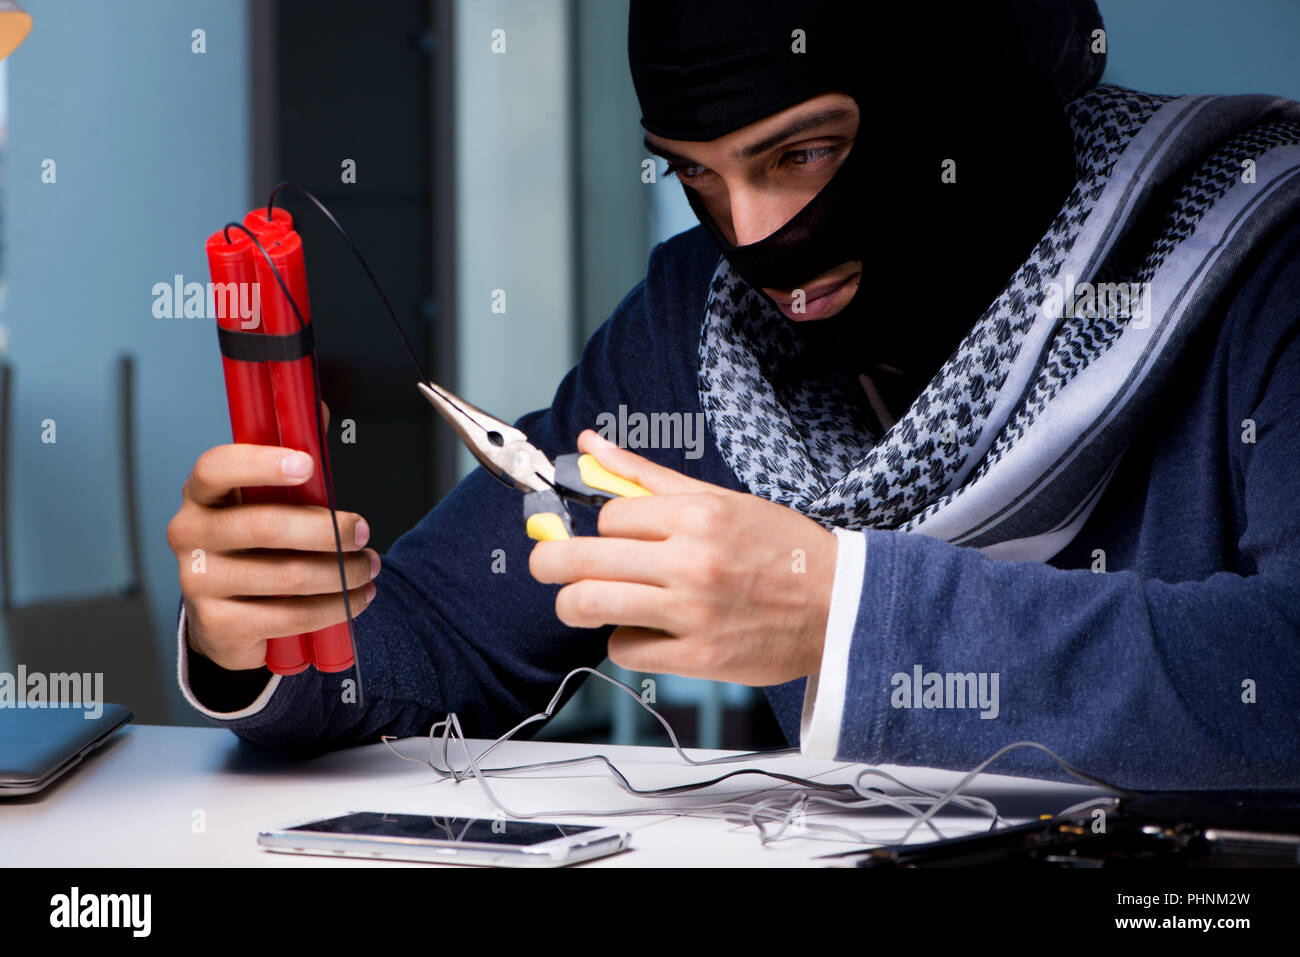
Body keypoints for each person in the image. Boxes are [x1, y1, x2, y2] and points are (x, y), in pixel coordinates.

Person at [166, 0, 1300, 788]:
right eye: (697, 173)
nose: (751, 240)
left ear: (955, 97)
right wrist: (271, 627)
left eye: (799, 155)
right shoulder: (700, 325)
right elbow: (445, 634)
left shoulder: (1268, 263)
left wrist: (842, 613)